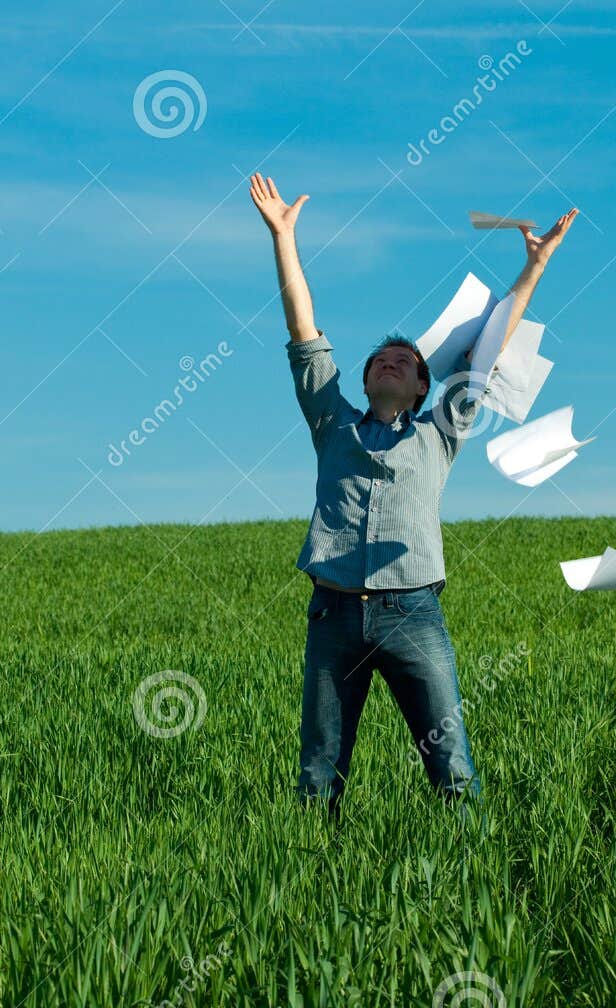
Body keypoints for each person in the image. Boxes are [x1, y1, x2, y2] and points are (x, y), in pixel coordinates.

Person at [248, 171, 577, 817]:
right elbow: (304, 334)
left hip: (414, 613)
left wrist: (533, 268)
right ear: (366, 379)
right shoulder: (332, 423)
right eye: (379, 359)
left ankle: (466, 874)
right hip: (333, 614)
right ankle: (310, 878)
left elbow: (485, 354)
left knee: (450, 765)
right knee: (318, 773)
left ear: (425, 388)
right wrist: (284, 238)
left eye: (405, 360)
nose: (390, 361)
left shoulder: (440, 433)